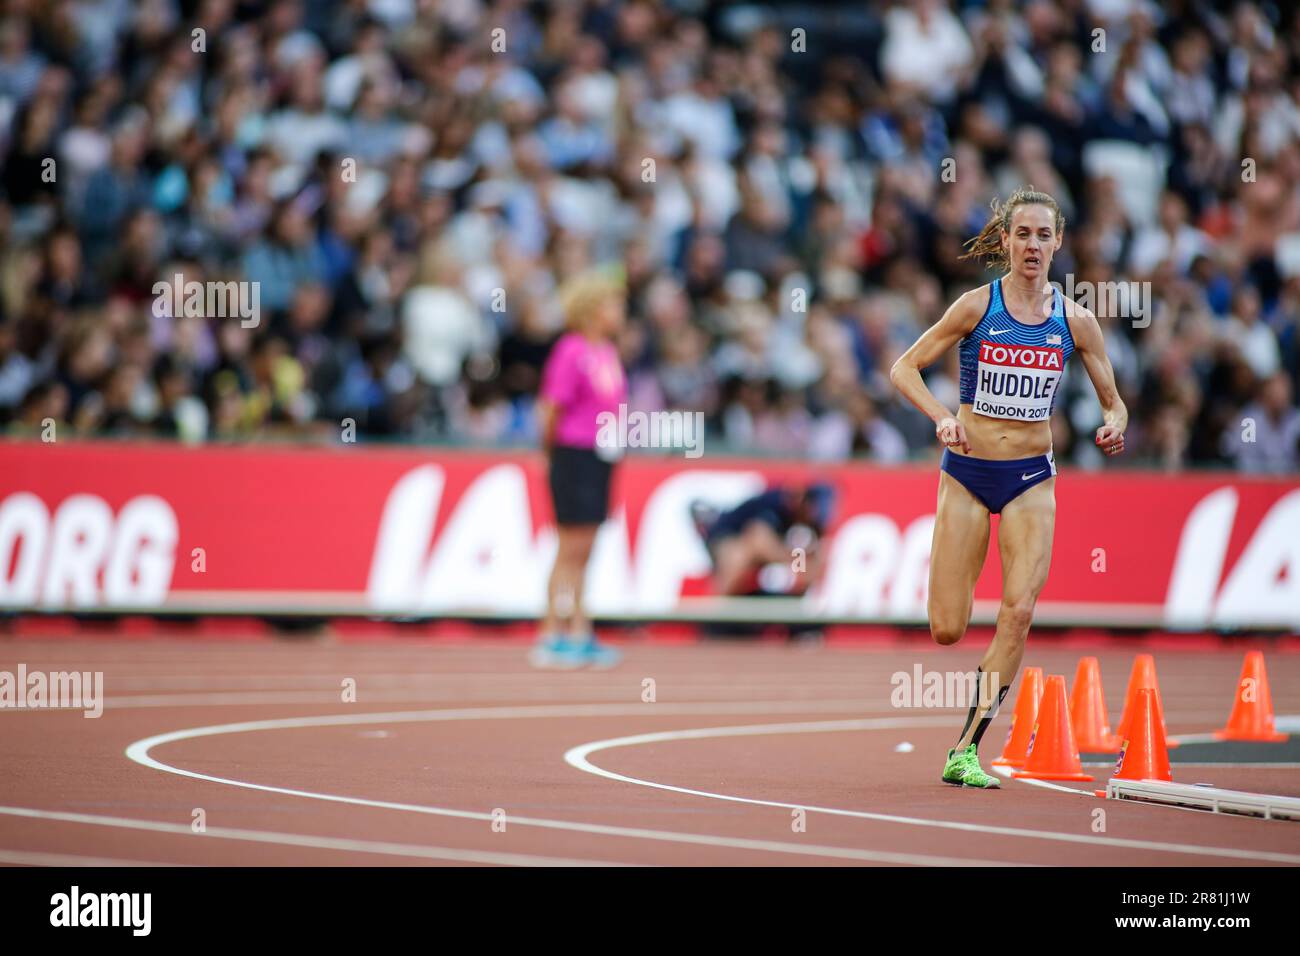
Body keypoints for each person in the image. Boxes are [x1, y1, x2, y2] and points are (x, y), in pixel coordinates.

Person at [889, 186, 1128, 789]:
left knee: (1018, 612)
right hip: (968, 474)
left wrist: (1113, 426)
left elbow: (1115, 403)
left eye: (1043, 235)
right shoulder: (976, 306)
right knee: (947, 627)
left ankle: (965, 749)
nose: (1033, 245)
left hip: (1030, 479)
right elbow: (903, 367)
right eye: (1022, 234)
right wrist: (942, 416)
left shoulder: (1075, 320)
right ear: (1005, 241)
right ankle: (951, 615)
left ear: (1059, 242)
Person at [530, 269, 627, 669]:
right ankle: (551, 630)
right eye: (613, 304)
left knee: (587, 547)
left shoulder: (606, 351)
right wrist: (548, 452)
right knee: (569, 545)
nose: (620, 311)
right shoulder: (571, 350)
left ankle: (579, 629)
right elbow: (551, 406)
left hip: (602, 455)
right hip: (574, 453)